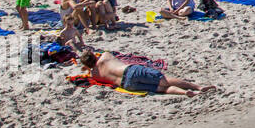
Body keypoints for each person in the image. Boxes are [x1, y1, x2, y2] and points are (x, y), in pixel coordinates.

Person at [79, 50, 212, 96]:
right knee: (164, 80)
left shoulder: (94, 75)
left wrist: (88, 68)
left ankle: (185, 93)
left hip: (127, 85)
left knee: (161, 89)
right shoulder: (105, 56)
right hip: (130, 71)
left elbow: (92, 70)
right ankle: (196, 87)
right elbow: (103, 55)